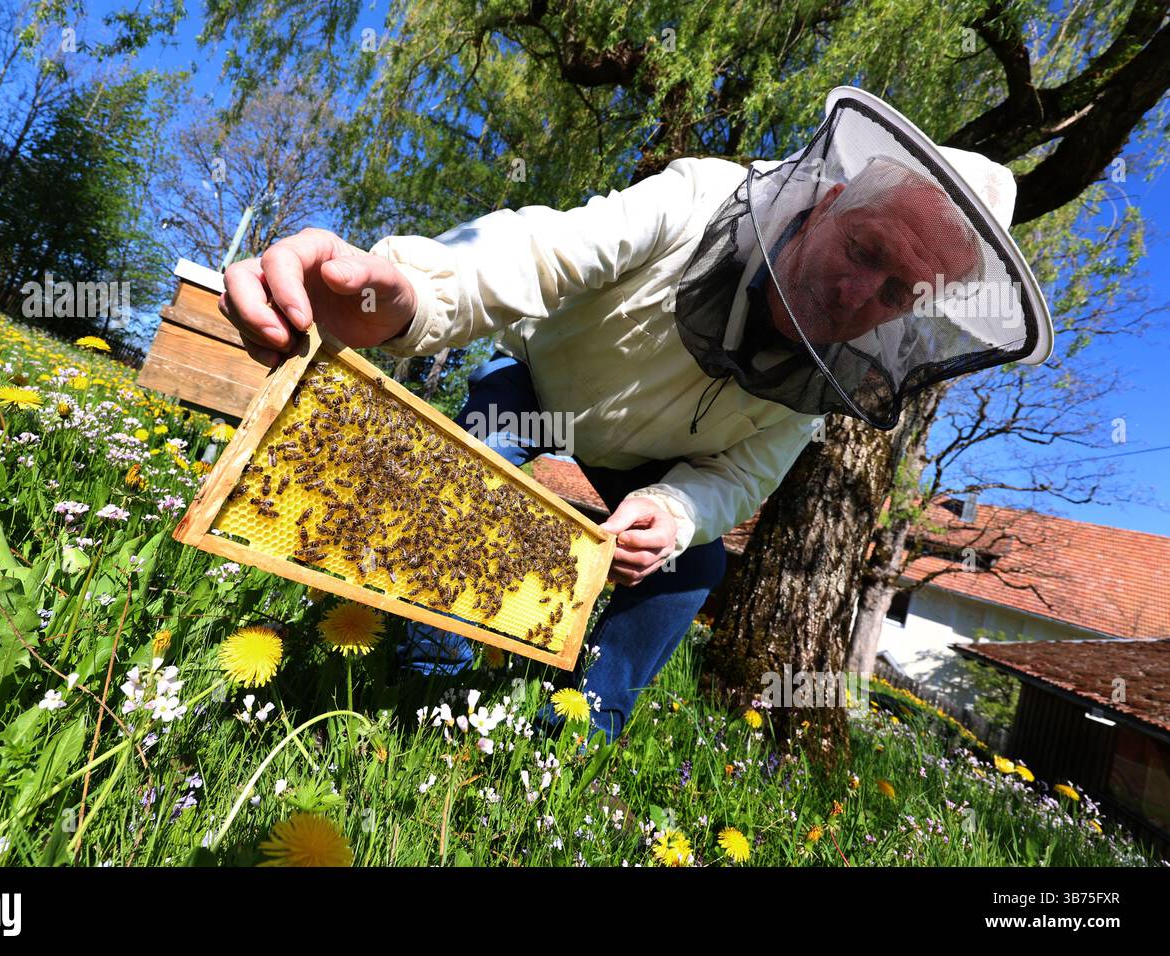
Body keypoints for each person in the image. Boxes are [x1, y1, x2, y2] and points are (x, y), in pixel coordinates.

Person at [217, 87, 1052, 741]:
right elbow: (538, 250)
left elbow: (742, 476)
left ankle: (578, 731)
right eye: (864, 249)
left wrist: (675, 512)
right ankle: (427, 670)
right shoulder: (699, 198)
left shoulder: (832, 377)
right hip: (542, 392)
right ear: (827, 199)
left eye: (899, 292)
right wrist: (404, 295)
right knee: (480, 468)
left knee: (692, 567)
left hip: (646, 464)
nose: (859, 295)